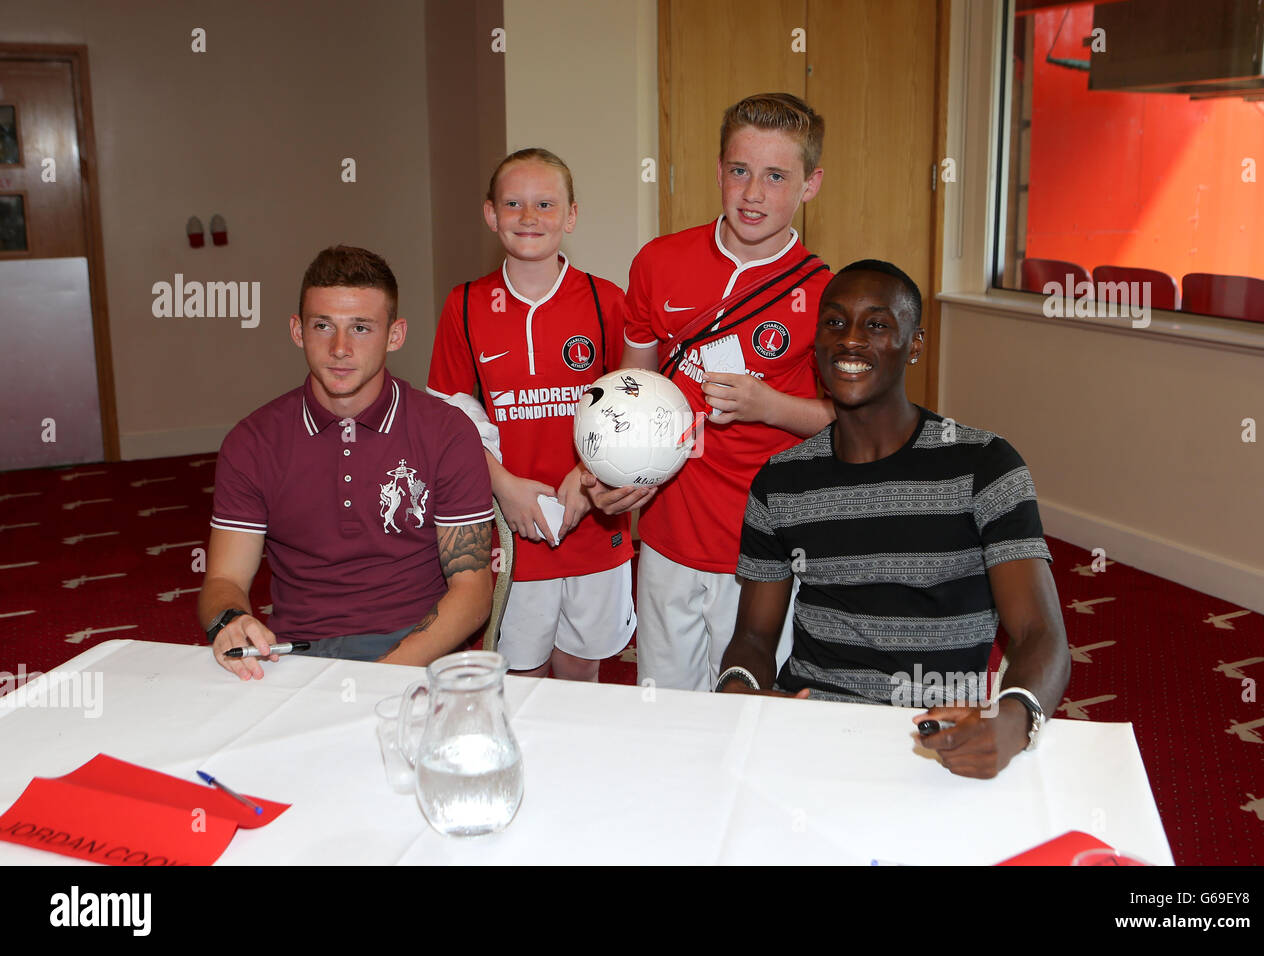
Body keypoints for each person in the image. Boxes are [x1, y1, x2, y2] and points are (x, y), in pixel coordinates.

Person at [717, 259, 1071, 779]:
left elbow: (1041, 633)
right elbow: (753, 635)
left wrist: (1014, 721)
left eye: (877, 325)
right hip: (813, 728)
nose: (851, 340)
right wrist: (740, 689)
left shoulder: (985, 465)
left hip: (943, 736)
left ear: (915, 343)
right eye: (834, 323)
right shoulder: (781, 480)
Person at [585, 92, 834, 692]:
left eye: (777, 176)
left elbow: (844, 424)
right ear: (720, 170)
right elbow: (632, 390)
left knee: (748, 709)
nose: (753, 193)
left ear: (811, 184)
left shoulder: (827, 292)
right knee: (664, 702)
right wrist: (613, 471)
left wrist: (765, 405)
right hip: (671, 526)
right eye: (740, 171)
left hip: (767, 543)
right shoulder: (658, 262)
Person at [199, 245, 495, 680]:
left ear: (395, 335)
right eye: (323, 326)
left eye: (360, 328)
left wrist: (380, 677)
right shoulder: (252, 442)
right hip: (295, 652)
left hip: (415, 648)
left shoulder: (447, 433)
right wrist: (230, 621)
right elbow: (224, 579)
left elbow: (472, 592)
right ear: (297, 330)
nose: (339, 348)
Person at [426, 148, 635, 680]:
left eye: (545, 204)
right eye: (513, 204)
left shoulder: (605, 300)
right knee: (519, 681)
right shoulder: (465, 305)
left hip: (594, 521)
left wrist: (589, 478)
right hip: (510, 531)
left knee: (581, 677)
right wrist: (503, 484)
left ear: (571, 216)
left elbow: (632, 409)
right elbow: (450, 417)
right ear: (491, 214)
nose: (528, 217)